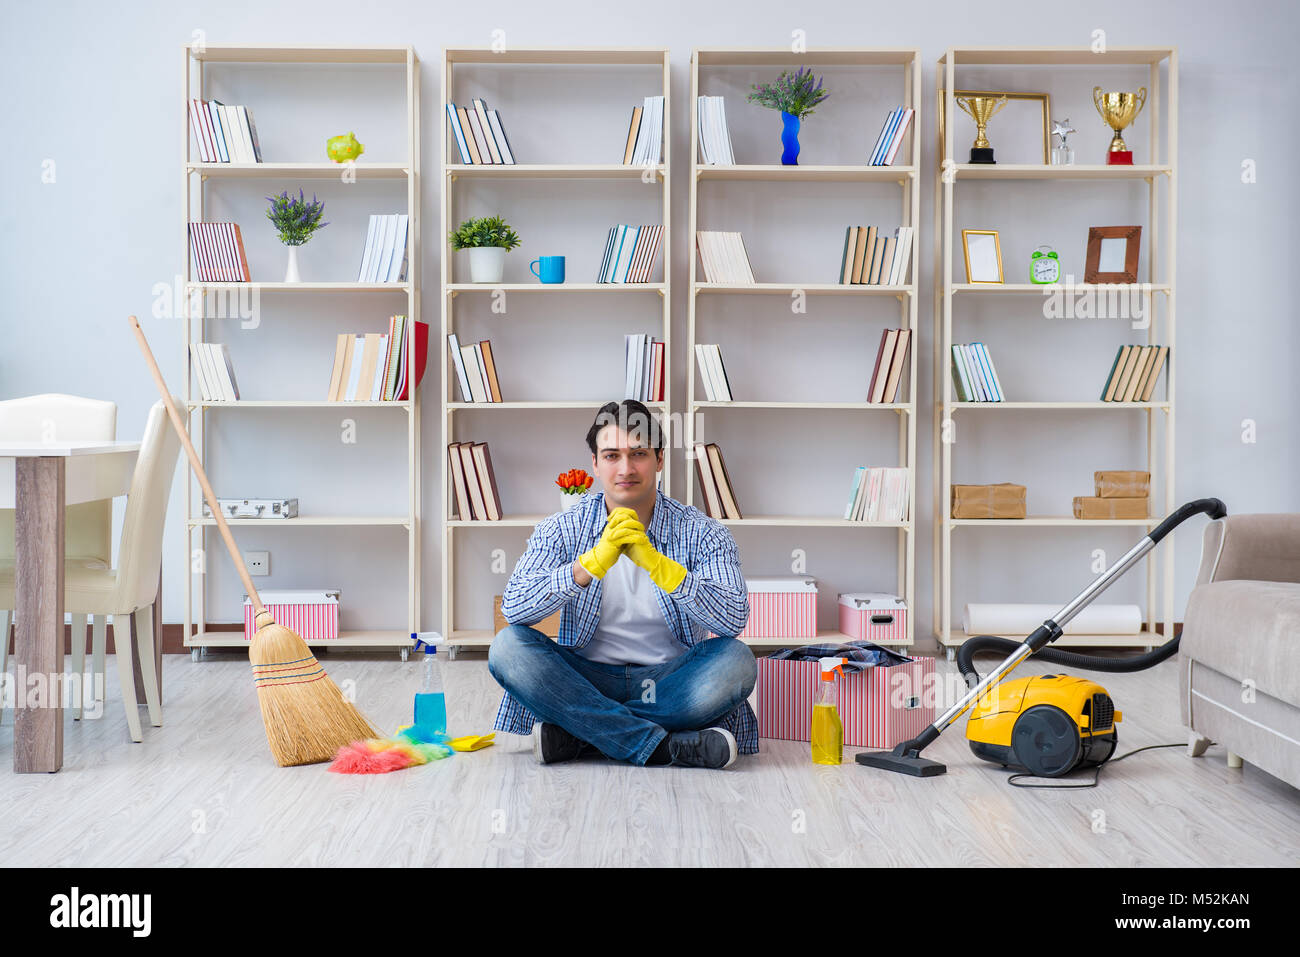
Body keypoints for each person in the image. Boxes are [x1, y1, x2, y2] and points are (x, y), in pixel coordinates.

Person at [488, 400, 758, 769]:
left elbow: (732, 619)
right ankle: (666, 747)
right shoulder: (563, 528)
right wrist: (589, 565)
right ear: (595, 464)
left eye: (639, 454)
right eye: (612, 455)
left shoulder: (702, 531)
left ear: (660, 459)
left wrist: (658, 564)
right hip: (585, 680)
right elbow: (515, 608)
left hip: (671, 680)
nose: (626, 469)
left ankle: (583, 735)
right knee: (507, 648)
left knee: (737, 661)